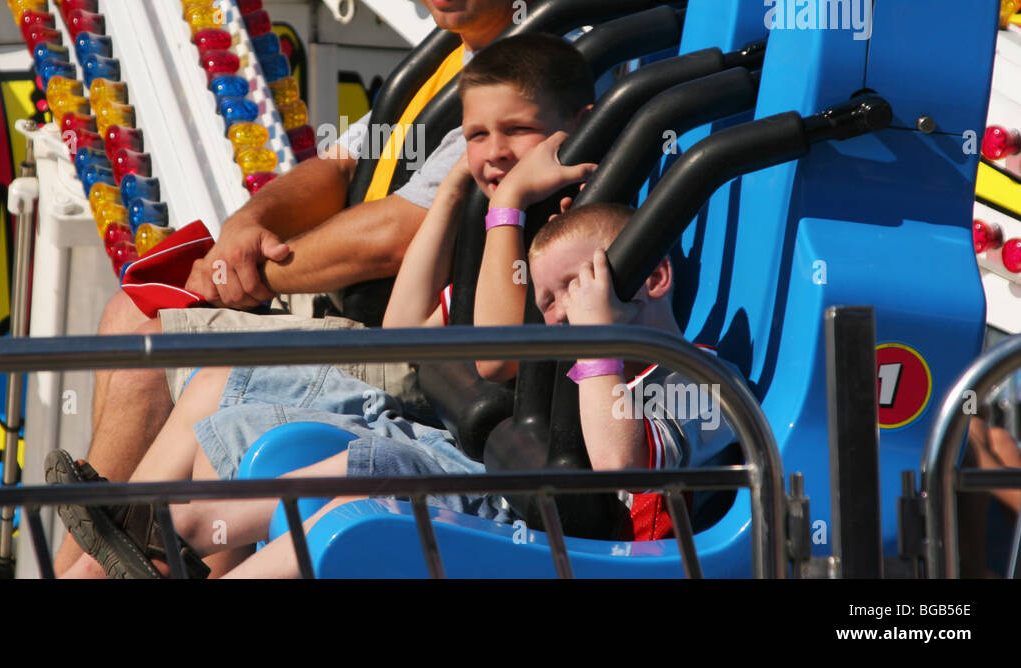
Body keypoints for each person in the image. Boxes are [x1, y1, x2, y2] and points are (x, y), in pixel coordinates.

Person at [57, 0, 551, 574]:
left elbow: (396, 234)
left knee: (144, 321)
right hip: (369, 320)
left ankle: (91, 564)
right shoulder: (445, 59)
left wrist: (248, 275)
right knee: (154, 299)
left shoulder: (522, 85)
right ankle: (114, 551)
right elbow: (338, 165)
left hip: (418, 353)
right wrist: (245, 227)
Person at [48, 38, 639, 578]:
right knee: (216, 388)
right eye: (476, 136)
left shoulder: (567, 234)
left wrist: (506, 202)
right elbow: (402, 331)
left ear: (578, 127)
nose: (496, 152)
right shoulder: (495, 228)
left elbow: (493, 355)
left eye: (519, 130)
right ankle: (143, 534)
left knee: (348, 484)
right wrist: (457, 188)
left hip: (488, 477)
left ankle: (145, 541)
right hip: (450, 443)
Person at [51, 195, 720, 578]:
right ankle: (163, 532)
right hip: (514, 492)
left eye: (575, 289)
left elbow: (621, 463)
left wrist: (601, 347)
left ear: (650, 280)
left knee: (392, 469)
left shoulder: (701, 380)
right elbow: (420, 335)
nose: (558, 314)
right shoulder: (577, 357)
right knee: (373, 435)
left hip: (589, 553)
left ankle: (168, 538)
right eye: (546, 300)